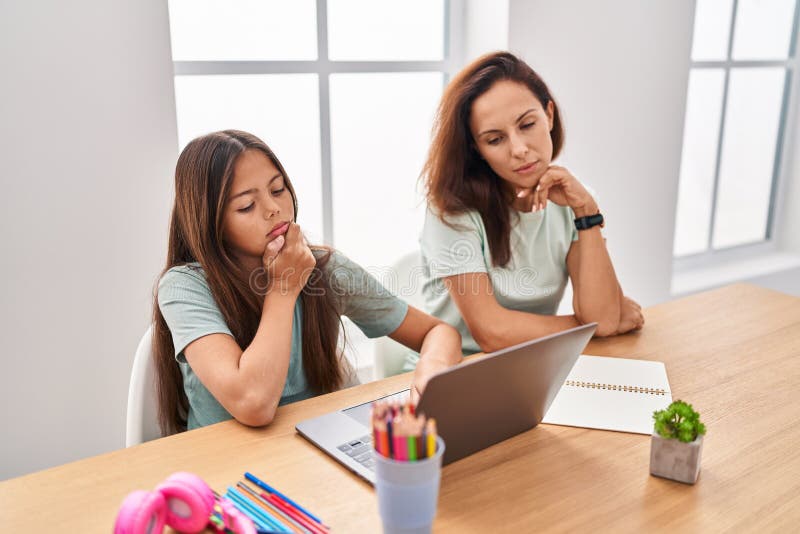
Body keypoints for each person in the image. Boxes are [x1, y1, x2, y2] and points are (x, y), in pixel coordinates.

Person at [153, 130, 462, 434]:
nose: (273, 208)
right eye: (247, 206)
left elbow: (439, 331)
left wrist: (430, 374)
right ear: (210, 221)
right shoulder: (183, 287)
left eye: (277, 190)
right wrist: (284, 288)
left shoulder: (326, 269)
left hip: (314, 455)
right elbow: (254, 404)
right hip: (225, 465)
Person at [415, 51, 643, 359]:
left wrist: (586, 211)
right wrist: (585, 325)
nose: (519, 150)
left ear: (549, 114)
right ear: (477, 148)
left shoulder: (574, 200)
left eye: (527, 124)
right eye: (495, 140)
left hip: (536, 364)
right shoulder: (451, 210)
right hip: (456, 370)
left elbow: (601, 317)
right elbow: (491, 334)